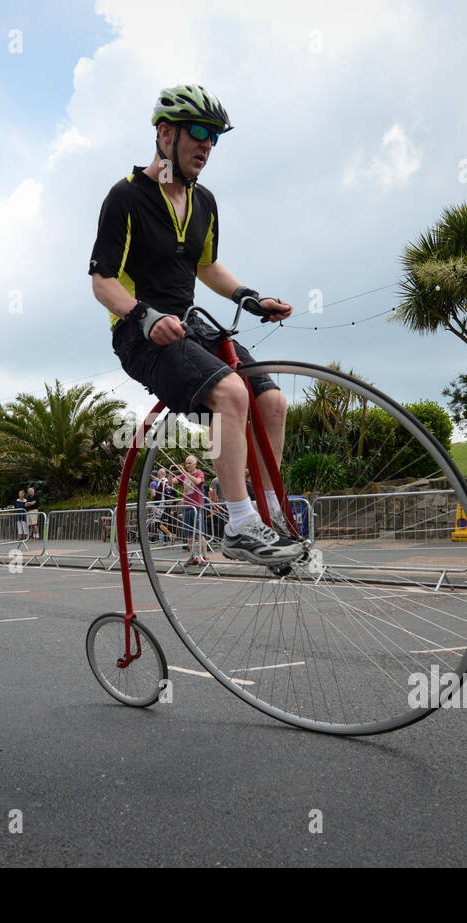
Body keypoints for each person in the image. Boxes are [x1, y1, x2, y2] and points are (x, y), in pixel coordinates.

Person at [88, 84, 303, 568]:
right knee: (232, 394)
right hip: (141, 334)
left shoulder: (204, 201)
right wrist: (142, 315)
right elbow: (102, 281)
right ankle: (240, 525)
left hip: (192, 327)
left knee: (271, 400)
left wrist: (250, 297)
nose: (206, 146)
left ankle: (270, 518)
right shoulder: (126, 197)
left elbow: (207, 267)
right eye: (199, 133)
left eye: (215, 138)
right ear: (165, 134)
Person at [172, 455, 209, 565]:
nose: (187, 465)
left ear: (195, 464)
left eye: (189, 463)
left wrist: (184, 472)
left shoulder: (199, 473)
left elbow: (197, 482)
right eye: (186, 463)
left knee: (200, 533)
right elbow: (172, 481)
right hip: (187, 508)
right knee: (188, 534)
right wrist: (170, 472)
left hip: (197, 507)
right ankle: (193, 556)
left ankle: (205, 557)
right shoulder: (183, 475)